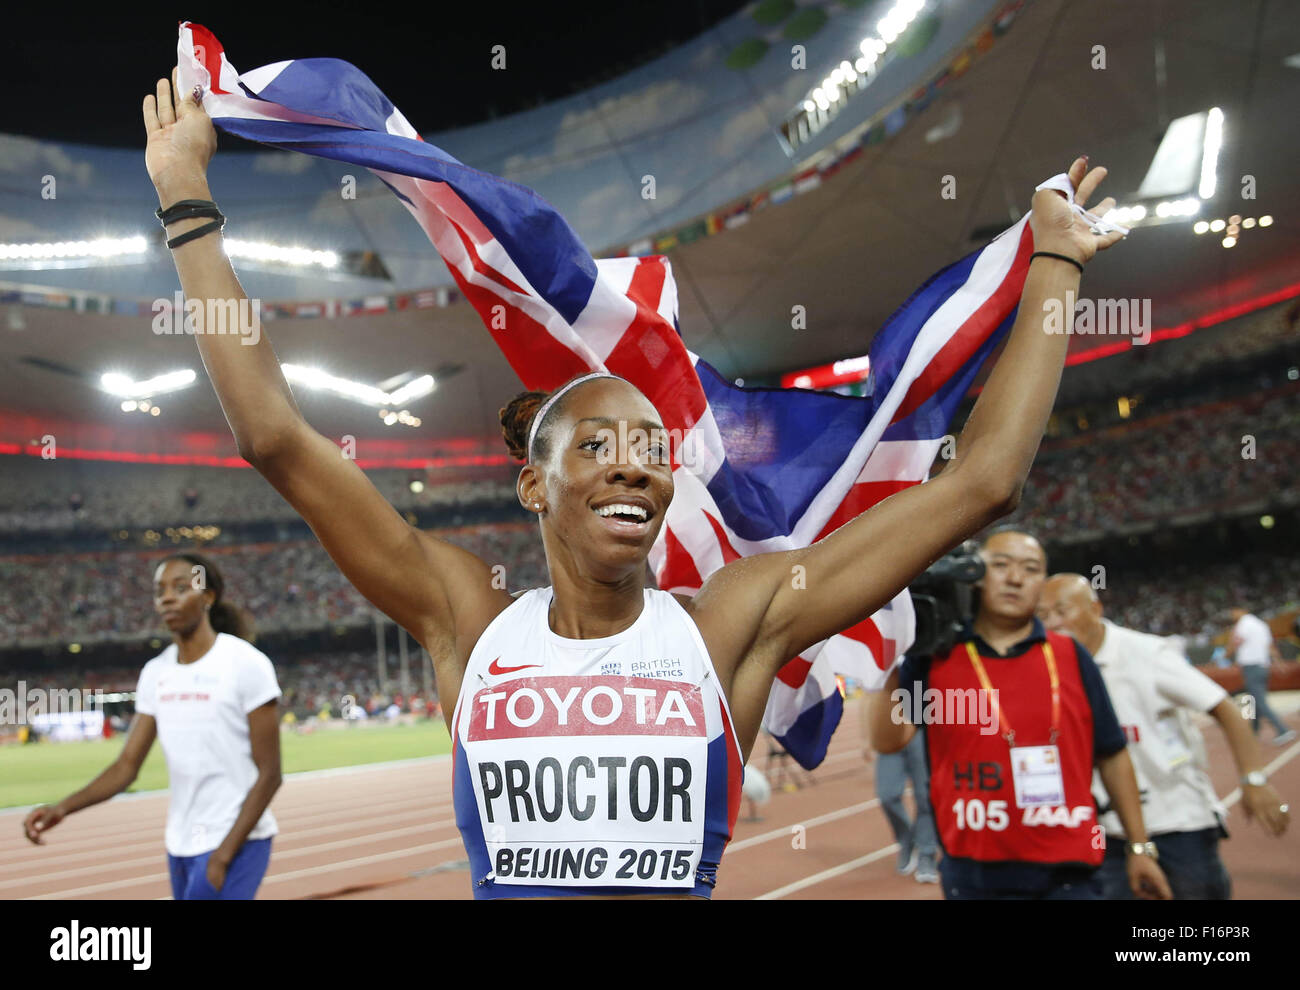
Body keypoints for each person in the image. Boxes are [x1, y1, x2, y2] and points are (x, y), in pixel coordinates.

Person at [142, 68, 1125, 898]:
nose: (631, 462)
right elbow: (274, 438)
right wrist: (188, 203)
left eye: (652, 450)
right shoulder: (468, 620)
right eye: (598, 445)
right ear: (535, 487)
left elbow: (981, 485)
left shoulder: (732, 621)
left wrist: (1052, 268)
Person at [868, 529, 1172, 900]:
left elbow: (1112, 752)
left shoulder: (1072, 656)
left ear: (1042, 584)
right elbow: (887, 740)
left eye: (1030, 569)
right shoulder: (933, 659)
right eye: (1001, 565)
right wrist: (895, 656)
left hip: (1069, 872)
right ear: (975, 575)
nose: (1015, 578)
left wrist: (1139, 848)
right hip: (973, 872)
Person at [22, 553, 283, 900]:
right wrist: (61, 808)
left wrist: (222, 856)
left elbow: (271, 773)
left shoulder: (246, 664)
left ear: (208, 596)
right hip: (180, 844)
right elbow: (126, 767)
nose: (167, 598)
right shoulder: (156, 673)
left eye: (181, 588)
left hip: (237, 841)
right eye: (160, 591)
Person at [1040, 574, 1291, 899]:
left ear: (1096, 608)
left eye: (1062, 611)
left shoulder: (1147, 653)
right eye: (1043, 616)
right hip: (1108, 832)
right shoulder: (1051, 665)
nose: (1054, 623)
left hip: (1177, 822)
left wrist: (1254, 779)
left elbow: (1226, 708)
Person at [861, 692, 938, 882]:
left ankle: (927, 854)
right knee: (886, 794)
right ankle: (907, 840)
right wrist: (867, 737)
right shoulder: (882, 663)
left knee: (925, 796)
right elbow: (869, 695)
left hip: (922, 730)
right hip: (890, 733)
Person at [1229, 608, 1296, 743]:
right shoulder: (1261, 625)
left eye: (1232, 612)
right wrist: (1279, 662)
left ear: (1240, 611)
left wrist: (1221, 658)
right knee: (1253, 699)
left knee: (1257, 701)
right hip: (1262, 667)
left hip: (1251, 666)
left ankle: (1283, 730)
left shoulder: (1243, 624)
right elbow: (1270, 646)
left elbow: (1236, 643)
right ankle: (1252, 731)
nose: (1231, 616)